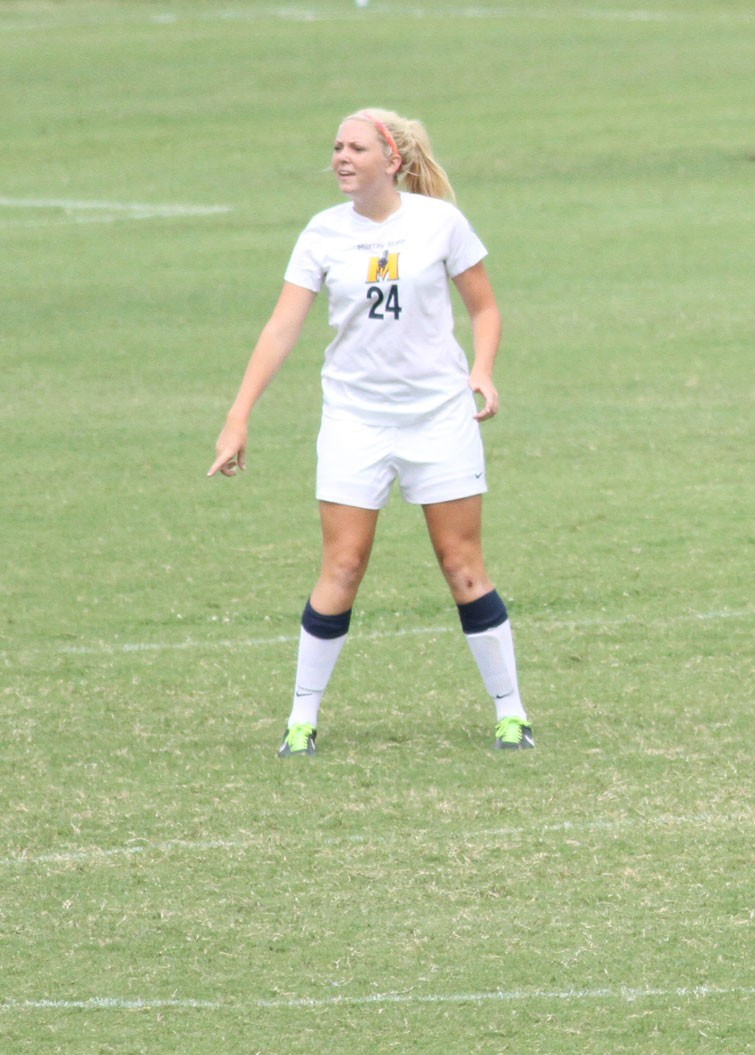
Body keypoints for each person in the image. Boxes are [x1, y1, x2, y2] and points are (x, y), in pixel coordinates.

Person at [208, 108, 533, 757]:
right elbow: (281, 328)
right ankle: (300, 721)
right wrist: (237, 416)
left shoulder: (440, 223)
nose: (341, 157)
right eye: (336, 147)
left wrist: (482, 370)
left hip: (438, 417)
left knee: (462, 566)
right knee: (343, 565)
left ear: (392, 158)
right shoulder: (322, 233)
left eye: (355, 147)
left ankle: (512, 714)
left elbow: (485, 307)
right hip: (354, 420)